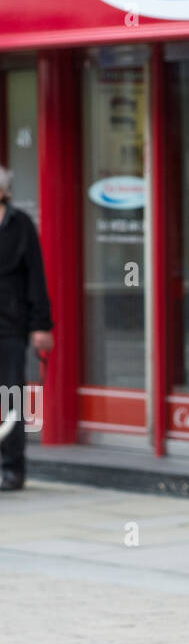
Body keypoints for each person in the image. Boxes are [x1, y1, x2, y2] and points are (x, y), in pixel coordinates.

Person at [0, 166, 53, 492]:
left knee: (10, 397)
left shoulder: (20, 225)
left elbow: (36, 277)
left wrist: (40, 325)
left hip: (9, 327)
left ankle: (11, 467)